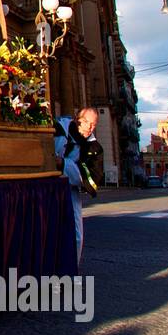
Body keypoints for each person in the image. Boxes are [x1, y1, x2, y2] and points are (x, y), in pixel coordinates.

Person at [54, 107, 98, 266]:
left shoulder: (93, 148)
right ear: (76, 119)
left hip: (70, 191)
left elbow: (91, 177)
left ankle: (70, 272)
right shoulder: (59, 128)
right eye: (86, 121)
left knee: (76, 234)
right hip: (49, 186)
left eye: (93, 125)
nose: (89, 127)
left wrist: (63, 164)